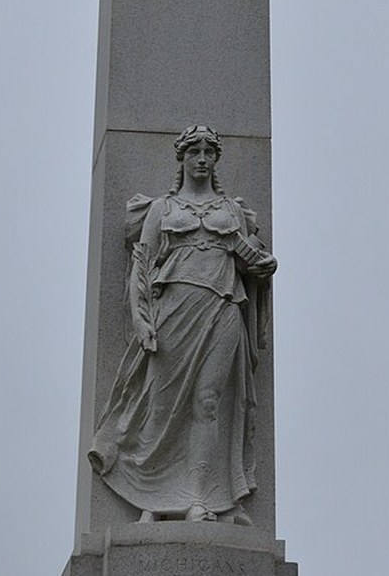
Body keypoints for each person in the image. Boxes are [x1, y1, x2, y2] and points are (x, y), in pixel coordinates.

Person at [88, 125, 278, 524]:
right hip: (173, 310)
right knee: (160, 408)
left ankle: (199, 498)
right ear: (183, 158)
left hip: (223, 307)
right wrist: (141, 320)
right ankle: (154, 499)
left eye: (210, 151)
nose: (203, 158)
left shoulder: (230, 212)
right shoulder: (163, 209)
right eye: (195, 151)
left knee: (209, 403)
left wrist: (263, 265)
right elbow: (142, 267)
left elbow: (249, 262)